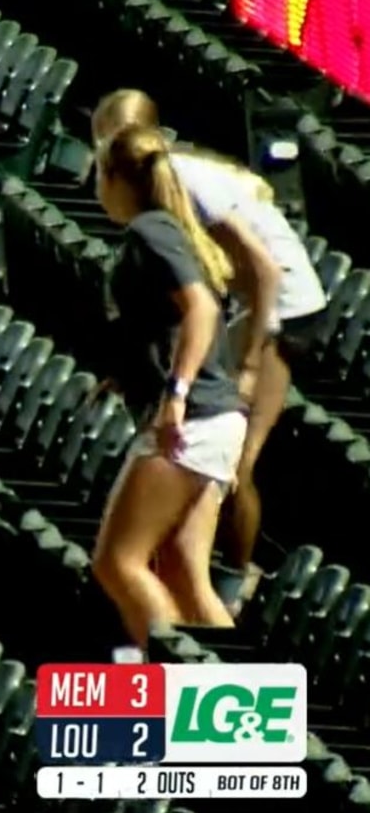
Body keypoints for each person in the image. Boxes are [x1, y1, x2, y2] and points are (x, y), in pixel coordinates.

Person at [91, 90, 328, 614]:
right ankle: (210, 656)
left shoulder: (163, 208)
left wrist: (241, 365)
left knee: (230, 470)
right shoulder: (160, 210)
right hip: (228, 337)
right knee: (178, 560)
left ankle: (232, 583)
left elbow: (251, 278)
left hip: (283, 312)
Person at [90, 125, 248, 650]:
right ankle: (253, 716)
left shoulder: (150, 230)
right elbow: (167, 322)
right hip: (218, 419)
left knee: (119, 562)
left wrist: (175, 394)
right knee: (183, 571)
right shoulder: (167, 228)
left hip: (195, 417)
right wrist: (129, 373)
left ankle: (170, 692)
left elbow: (201, 308)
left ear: (115, 178)